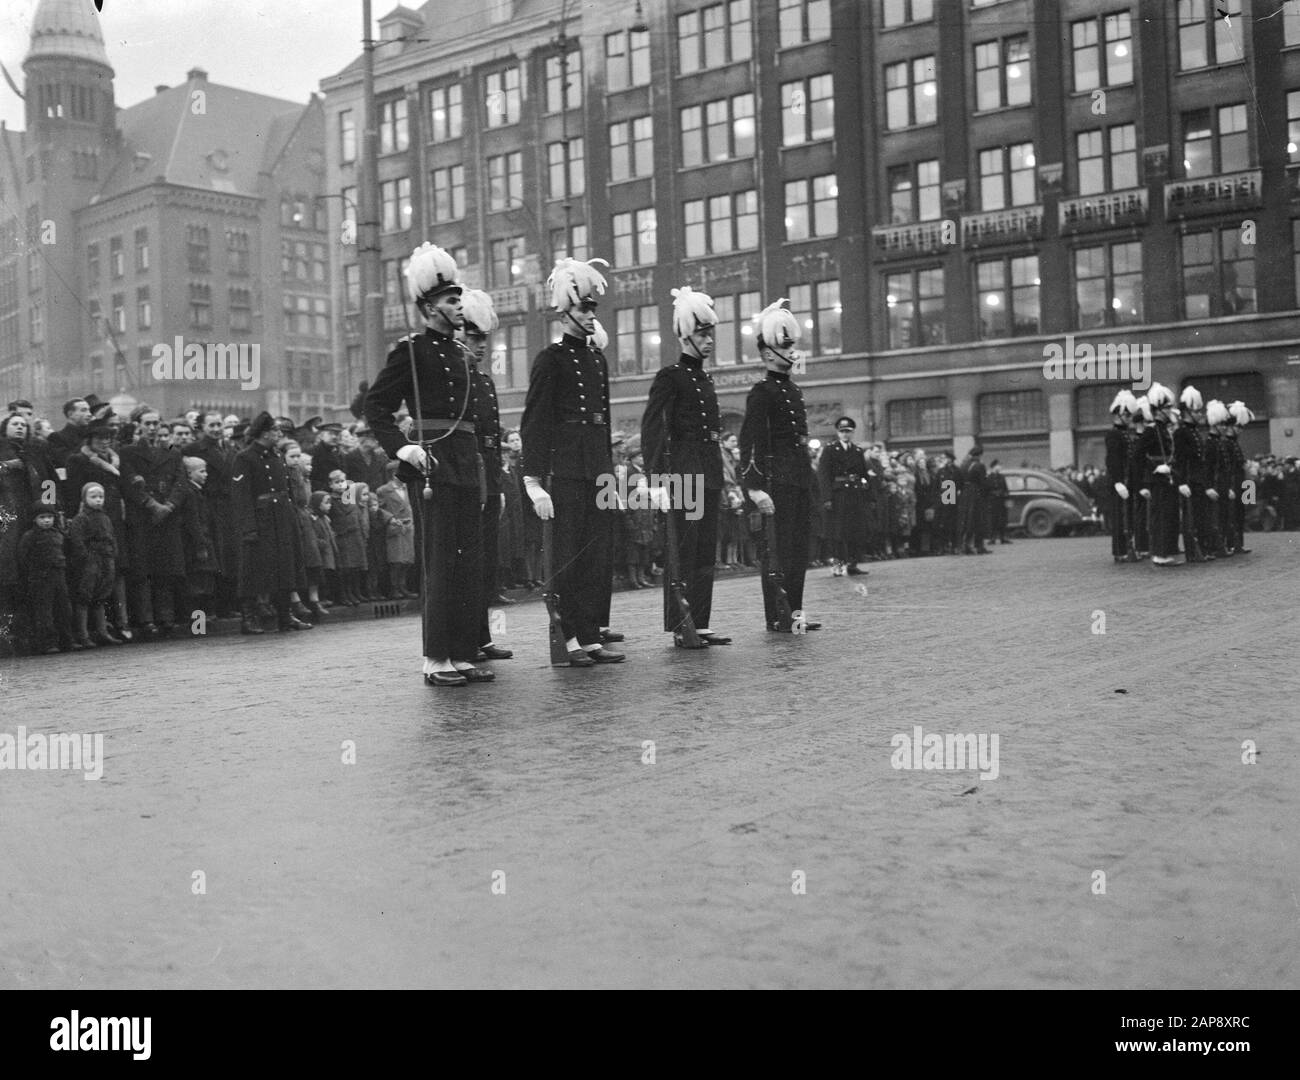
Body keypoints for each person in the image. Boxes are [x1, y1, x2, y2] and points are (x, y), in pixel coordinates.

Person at [363, 242, 491, 686]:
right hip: (431, 460)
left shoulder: (459, 352)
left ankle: (461, 651)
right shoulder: (410, 352)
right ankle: (436, 658)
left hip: (462, 461)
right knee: (440, 561)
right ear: (428, 306)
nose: (459, 306)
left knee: (466, 560)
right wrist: (403, 448)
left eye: (458, 298)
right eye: (451, 300)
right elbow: (375, 407)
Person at [520, 256, 625, 666]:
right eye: (583, 308)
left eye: (592, 308)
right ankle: (567, 640)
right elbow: (535, 421)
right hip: (564, 468)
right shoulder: (551, 359)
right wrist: (533, 479)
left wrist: (608, 472)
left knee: (595, 554)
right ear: (564, 312)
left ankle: (589, 633)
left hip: (594, 467)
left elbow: (604, 421)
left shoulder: (596, 359)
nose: (589, 315)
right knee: (568, 556)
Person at [641, 285, 732, 647]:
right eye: (701, 334)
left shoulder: (705, 378)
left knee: (705, 548)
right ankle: (681, 623)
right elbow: (652, 428)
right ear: (685, 335)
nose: (708, 340)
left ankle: (701, 620)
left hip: (708, 469)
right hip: (683, 471)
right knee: (685, 548)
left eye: (710, 333)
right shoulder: (670, 377)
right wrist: (656, 479)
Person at [739, 298, 821, 633]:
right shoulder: (762, 392)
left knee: (798, 550)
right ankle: (778, 614)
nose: (792, 351)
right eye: (785, 346)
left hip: (798, 476)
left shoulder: (793, 389)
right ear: (768, 353)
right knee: (778, 551)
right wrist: (755, 488)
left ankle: (795, 611)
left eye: (792, 345)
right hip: (777, 479)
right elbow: (750, 442)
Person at [460, 288, 515, 662]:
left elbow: (492, 441)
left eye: (483, 339)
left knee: (487, 567)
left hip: (489, 482)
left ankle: (487, 637)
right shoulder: (456, 381)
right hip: (467, 481)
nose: (480, 346)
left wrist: (496, 487)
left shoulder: (483, 381)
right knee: (467, 566)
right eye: (473, 337)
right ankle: (468, 639)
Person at [231, 411, 312, 634]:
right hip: (261, 520)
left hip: (282, 518)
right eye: (275, 430)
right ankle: (249, 619)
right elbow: (241, 496)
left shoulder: (275, 456)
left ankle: (285, 616)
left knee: (285, 568)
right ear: (265, 433)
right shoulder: (245, 458)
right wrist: (249, 528)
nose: (279, 434)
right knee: (253, 571)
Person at [119, 406, 189, 638]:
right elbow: (129, 483)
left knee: (166, 570)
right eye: (147, 424)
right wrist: (152, 505)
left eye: (155, 423)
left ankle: (166, 618)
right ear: (138, 426)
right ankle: (147, 619)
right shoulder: (128, 452)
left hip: (167, 518)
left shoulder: (171, 450)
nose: (151, 428)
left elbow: (181, 482)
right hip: (143, 518)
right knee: (143, 571)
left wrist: (169, 506)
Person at [66, 482, 120, 647]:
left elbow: (111, 537)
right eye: (93, 497)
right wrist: (86, 558)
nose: (98, 500)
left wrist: (113, 553)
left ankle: (103, 633)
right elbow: (77, 541)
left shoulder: (105, 518)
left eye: (101, 497)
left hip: (106, 559)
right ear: (85, 498)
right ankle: (83, 635)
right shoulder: (81, 519)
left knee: (101, 596)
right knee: (85, 595)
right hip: (90, 561)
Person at [1136, 383, 1184, 566]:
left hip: (1168, 478)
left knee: (1170, 515)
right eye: (1167, 408)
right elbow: (1138, 456)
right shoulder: (1151, 430)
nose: (1169, 410)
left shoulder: (1163, 429)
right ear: (1158, 410)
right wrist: (1154, 469)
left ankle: (1167, 551)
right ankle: (1159, 554)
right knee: (1161, 517)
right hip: (1157, 479)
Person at [18, 504, 75, 654]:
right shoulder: (29, 536)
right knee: (45, 612)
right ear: (35, 519)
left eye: (49, 517)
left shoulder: (58, 534)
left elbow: (66, 551)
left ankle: (67, 641)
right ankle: (48, 643)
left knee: (64, 609)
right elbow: (23, 558)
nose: (46, 521)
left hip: (59, 575)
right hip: (40, 577)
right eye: (42, 517)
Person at [817, 416, 870, 575]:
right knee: (837, 532)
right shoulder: (830, 449)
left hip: (854, 494)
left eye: (848, 431)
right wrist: (827, 497)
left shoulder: (857, 451)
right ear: (837, 432)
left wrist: (867, 489)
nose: (845, 434)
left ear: (852, 432)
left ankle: (852, 563)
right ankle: (838, 564)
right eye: (842, 431)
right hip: (837, 494)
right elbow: (824, 475)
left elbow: (863, 474)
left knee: (855, 530)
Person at [376, 460, 415, 599]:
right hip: (395, 527)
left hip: (408, 527)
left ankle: (403, 587)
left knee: (407, 560)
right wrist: (390, 518)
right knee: (396, 561)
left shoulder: (408, 487)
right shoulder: (383, 490)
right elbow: (378, 509)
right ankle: (394, 588)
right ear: (394, 474)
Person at [1105, 390, 1136, 562]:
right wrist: (1117, 482)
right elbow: (1112, 460)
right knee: (1119, 518)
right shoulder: (1113, 434)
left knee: (1126, 516)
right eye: (1128, 415)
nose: (1130, 419)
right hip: (1118, 481)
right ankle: (1119, 551)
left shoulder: (1123, 434)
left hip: (1126, 479)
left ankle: (1126, 548)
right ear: (1120, 415)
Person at [310, 422, 346, 492]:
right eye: (330, 433)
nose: (334, 437)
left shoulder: (340, 452)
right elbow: (313, 479)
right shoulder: (315, 452)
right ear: (322, 435)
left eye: (337, 434)